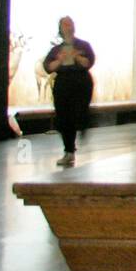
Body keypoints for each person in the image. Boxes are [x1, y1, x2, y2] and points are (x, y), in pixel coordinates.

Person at [42, 17, 95, 167]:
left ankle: (84, 123)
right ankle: (69, 151)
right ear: (61, 28)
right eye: (65, 24)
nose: (68, 26)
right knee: (63, 117)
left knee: (79, 112)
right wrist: (60, 60)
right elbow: (48, 67)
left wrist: (76, 55)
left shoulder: (83, 45)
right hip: (63, 82)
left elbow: (88, 62)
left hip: (81, 81)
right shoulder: (56, 49)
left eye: (70, 23)